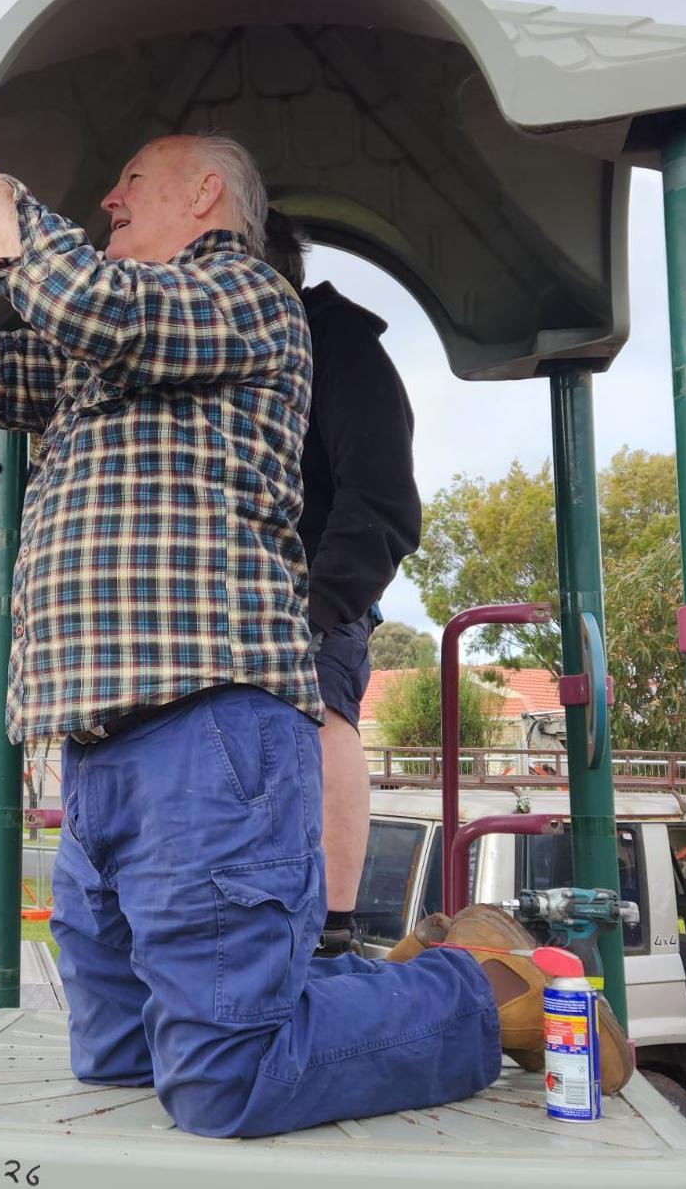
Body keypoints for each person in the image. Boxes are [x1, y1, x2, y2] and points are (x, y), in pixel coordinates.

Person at [0, 134, 630, 1137]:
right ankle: (377, 994)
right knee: (119, 1055)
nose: (106, 196)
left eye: (130, 180)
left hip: (207, 726)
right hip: (99, 744)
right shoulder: (105, 354)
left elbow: (88, 301)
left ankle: (481, 991)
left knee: (229, 1077)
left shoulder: (244, 296)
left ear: (206, 192)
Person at [263, 211, 421, 958]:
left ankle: (331, 922)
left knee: (323, 715)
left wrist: (321, 608)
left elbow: (380, 494)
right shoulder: (184, 361)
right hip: (213, 609)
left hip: (309, 595)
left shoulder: (334, 343)